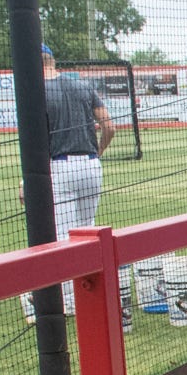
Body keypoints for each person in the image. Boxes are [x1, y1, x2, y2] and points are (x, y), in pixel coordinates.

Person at [25, 42, 124, 321]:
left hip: (61, 167)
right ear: (53, 61)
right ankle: (89, 294)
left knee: (64, 236)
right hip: (92, 165)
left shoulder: (37, 91)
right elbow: (110, 126)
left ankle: (69, 301)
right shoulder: (81, 86)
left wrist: (28, 181)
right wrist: (98, 152)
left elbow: (37, 141)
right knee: (88, 233)